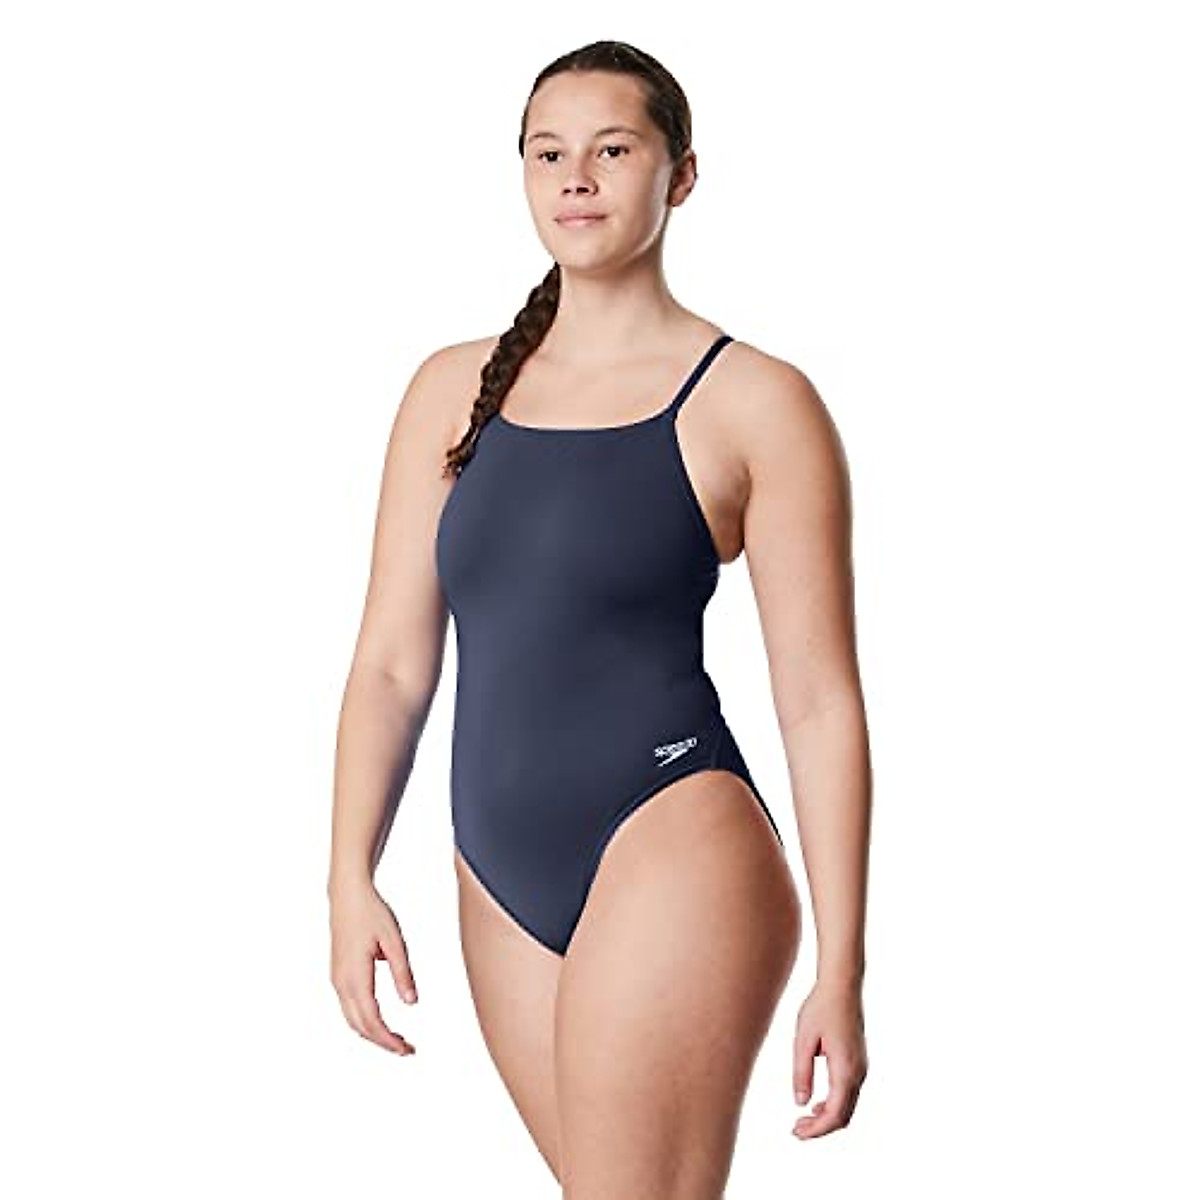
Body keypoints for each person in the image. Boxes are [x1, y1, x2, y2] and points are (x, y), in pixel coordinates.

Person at [328, 39, 872, 1196]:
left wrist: (843, 965)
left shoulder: (755, 402)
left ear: (681, 175)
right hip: (499, 872)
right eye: (549, 153)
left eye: (613, 150)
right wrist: (347, 874)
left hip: (675, 840)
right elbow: (389, 666)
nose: (576, 177)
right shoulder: (450, 390)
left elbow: (819, 702)